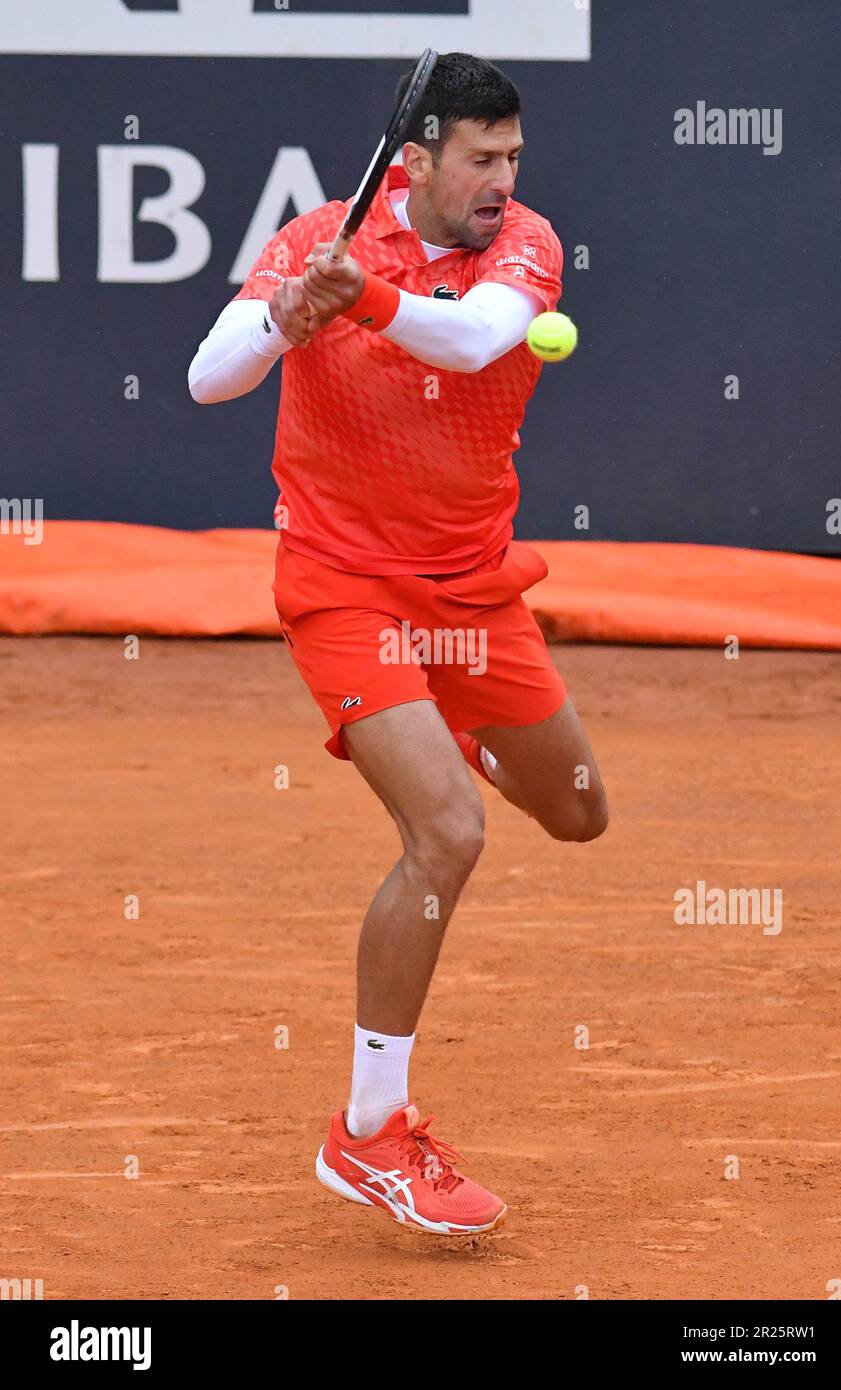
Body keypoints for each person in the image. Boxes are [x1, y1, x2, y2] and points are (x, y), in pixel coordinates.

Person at [189, 51, 608, 1235]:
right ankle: (371, 1129)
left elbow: (473, 343)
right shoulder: (318, 234)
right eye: (479, 157)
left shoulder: (524, 245)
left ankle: (448, 731)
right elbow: (207, 378)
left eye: (511, 156)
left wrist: (361, 303)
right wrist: (285, 313)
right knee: (447, 834)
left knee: (577, 810)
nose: (501, 178)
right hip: (341, 586)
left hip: (473, 594)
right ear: (414, 160)